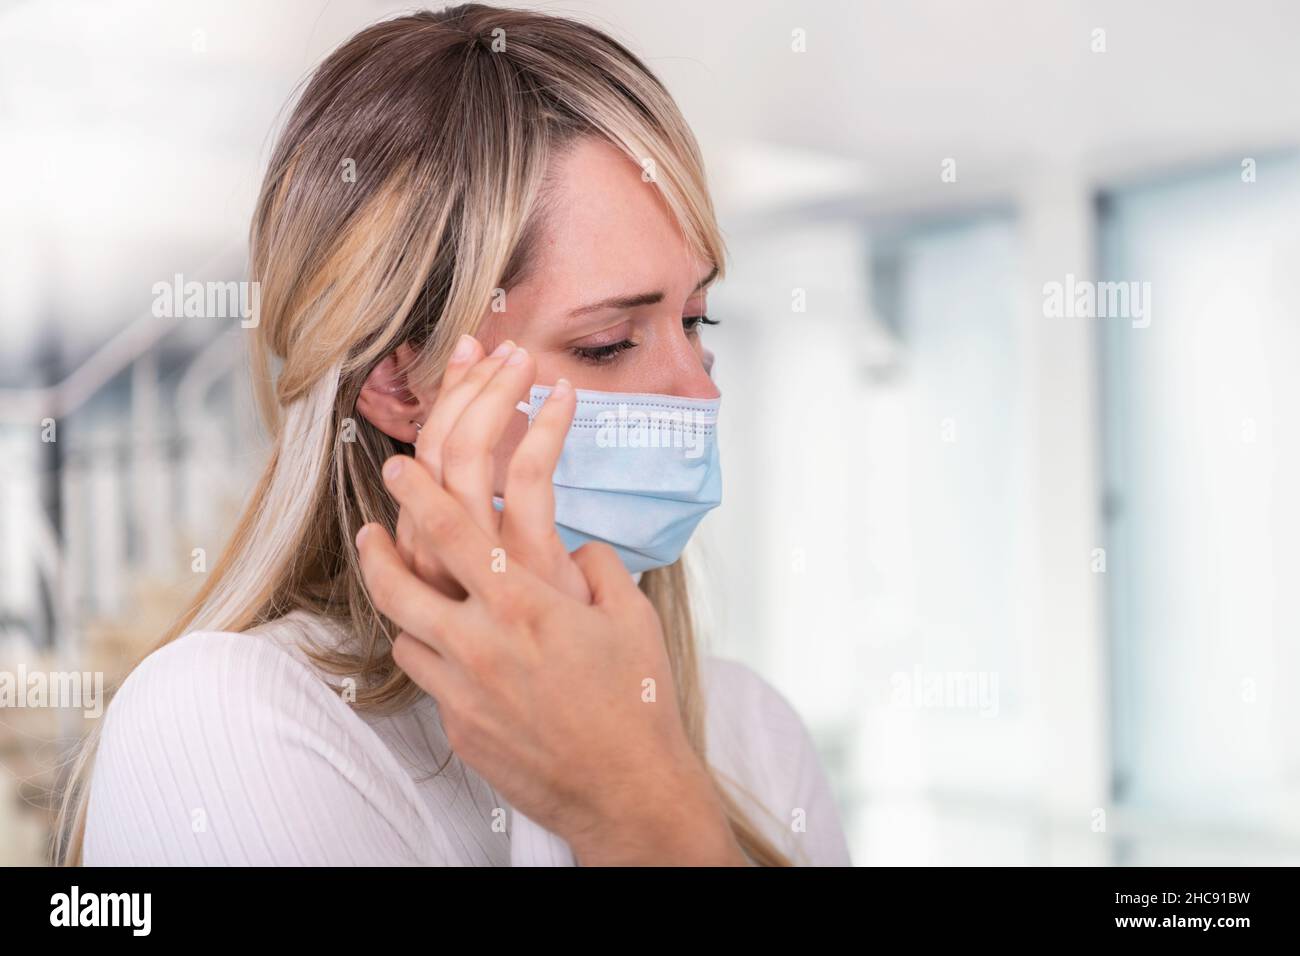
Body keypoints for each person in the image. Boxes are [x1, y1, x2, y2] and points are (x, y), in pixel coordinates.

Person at [56, 4, 851, 867]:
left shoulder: (756, 738)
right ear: (400, 384)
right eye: (606, 343)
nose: (698, 388)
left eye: (698, 318)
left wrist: (641, 793)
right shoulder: (218, 719)